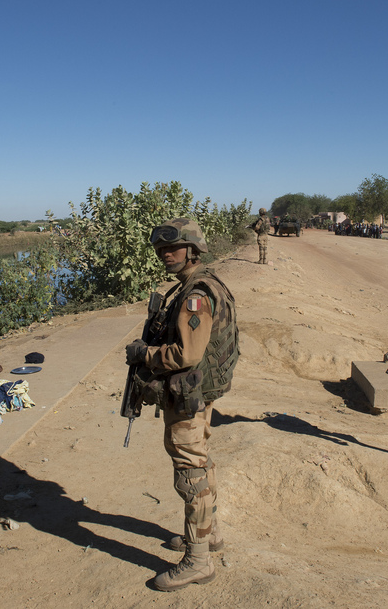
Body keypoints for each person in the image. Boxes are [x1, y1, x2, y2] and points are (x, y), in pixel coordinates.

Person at [124, 218, 239, 591]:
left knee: (190, 472)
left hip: (189, 396)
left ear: (193, 249)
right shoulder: (194, 285)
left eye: (173, 248)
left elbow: (186, 354)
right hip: (197, 394)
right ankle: (209, 533)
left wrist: (145, 353)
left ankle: (198, 561)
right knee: (201, 460)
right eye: (160, 250)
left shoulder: (195, 294)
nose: (166, 255)